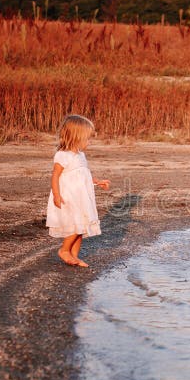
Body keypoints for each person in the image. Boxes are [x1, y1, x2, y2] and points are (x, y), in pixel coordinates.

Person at [46, 114, 110, 267]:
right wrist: (56, 195)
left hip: (82, 197)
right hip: (69, 197)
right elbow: (55, 176)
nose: (90, 141)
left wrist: (98, 182)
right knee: (77, 224)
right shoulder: (63, 155)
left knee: (81, 227)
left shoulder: (81, 155)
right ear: (76, 137)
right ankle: (64, 250)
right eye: (87, 138)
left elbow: (84, 174)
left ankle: (74, 256)